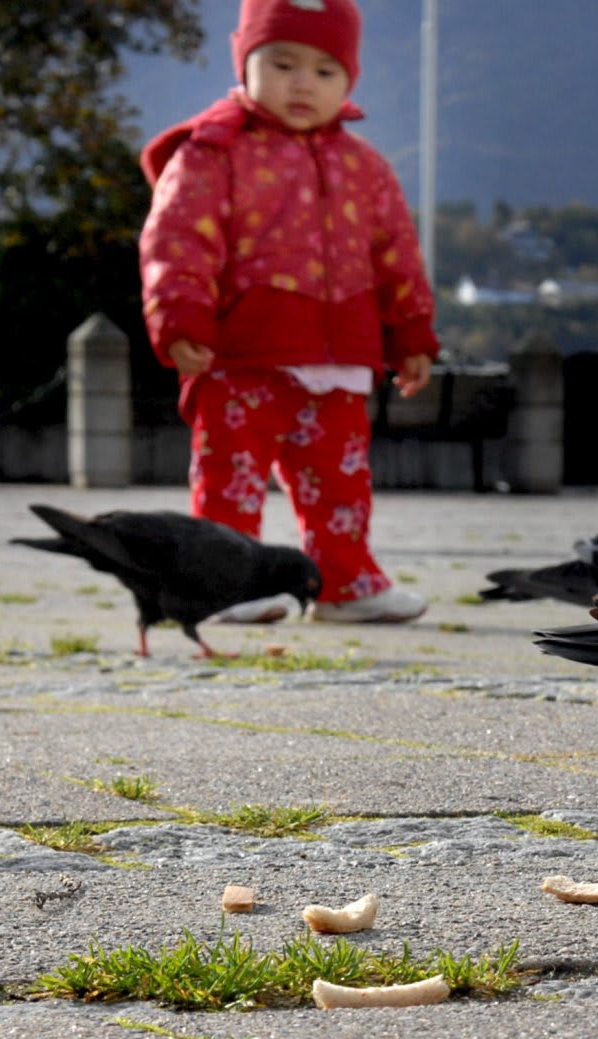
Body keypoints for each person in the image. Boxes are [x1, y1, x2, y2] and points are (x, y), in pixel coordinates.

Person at [138, 0, 435, 624]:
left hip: (338, 359)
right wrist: (181, 318)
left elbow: (397, 259)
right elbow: (177, 241)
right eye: (282, 64)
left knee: (341, 480)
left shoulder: (367, 167)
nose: (303, 83)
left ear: (349, 82)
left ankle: (344, 582)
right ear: (244, 62)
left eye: (326, 72)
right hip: (239, 354)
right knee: (230, 482)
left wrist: (411, 334)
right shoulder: (211, 152)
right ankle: (222, 585)